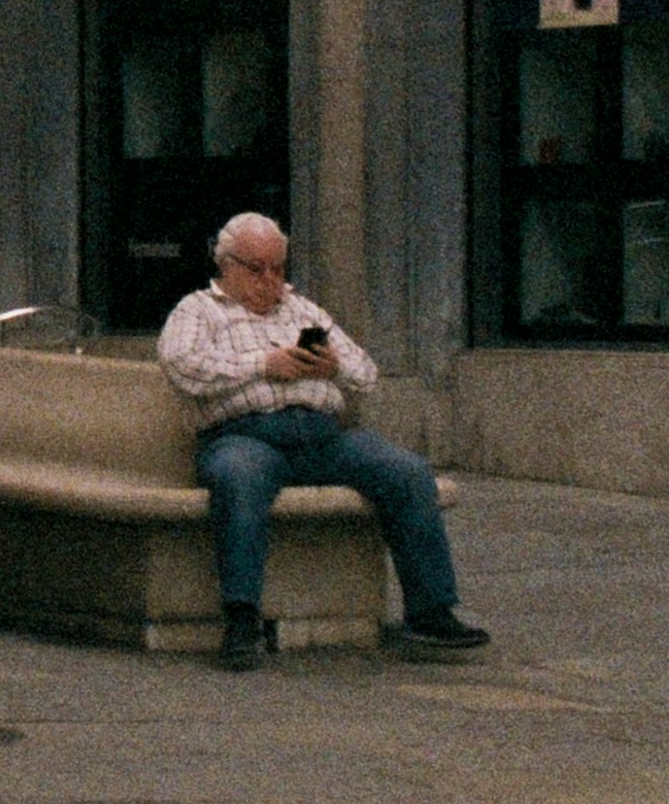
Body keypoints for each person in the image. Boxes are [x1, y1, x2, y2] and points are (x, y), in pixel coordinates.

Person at [150, 213, 485, 669]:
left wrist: (333, 368)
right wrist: (265, 365)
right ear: (225, 266)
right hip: (247, 435)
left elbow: (365, 374)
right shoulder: (199, 310)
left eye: (278, 268)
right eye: (256, 269)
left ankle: (430, 611)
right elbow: (184, 367)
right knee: (238, 479)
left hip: (321, 435)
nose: (269, 281)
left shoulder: (304, 311)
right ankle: (243, 618)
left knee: (406, 472)